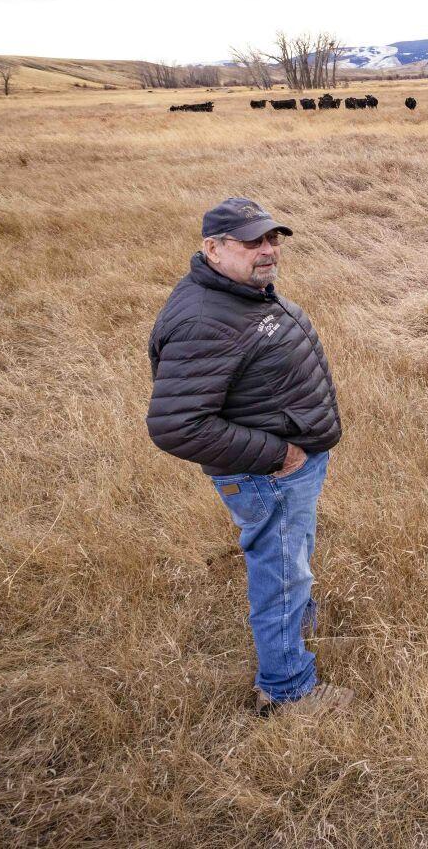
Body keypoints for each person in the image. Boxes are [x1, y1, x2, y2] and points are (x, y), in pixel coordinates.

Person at [146, 197, 350, 716]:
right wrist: (278, 455)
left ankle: (296, 617)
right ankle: (286, 690)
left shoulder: (238, 294)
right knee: (280, 572)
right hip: (268, 475)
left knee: (292, 558)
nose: (268, 251)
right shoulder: (205, 319)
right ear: (212, 248)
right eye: (253, 241)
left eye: (272, 238)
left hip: (284, 468)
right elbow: (177, 425)